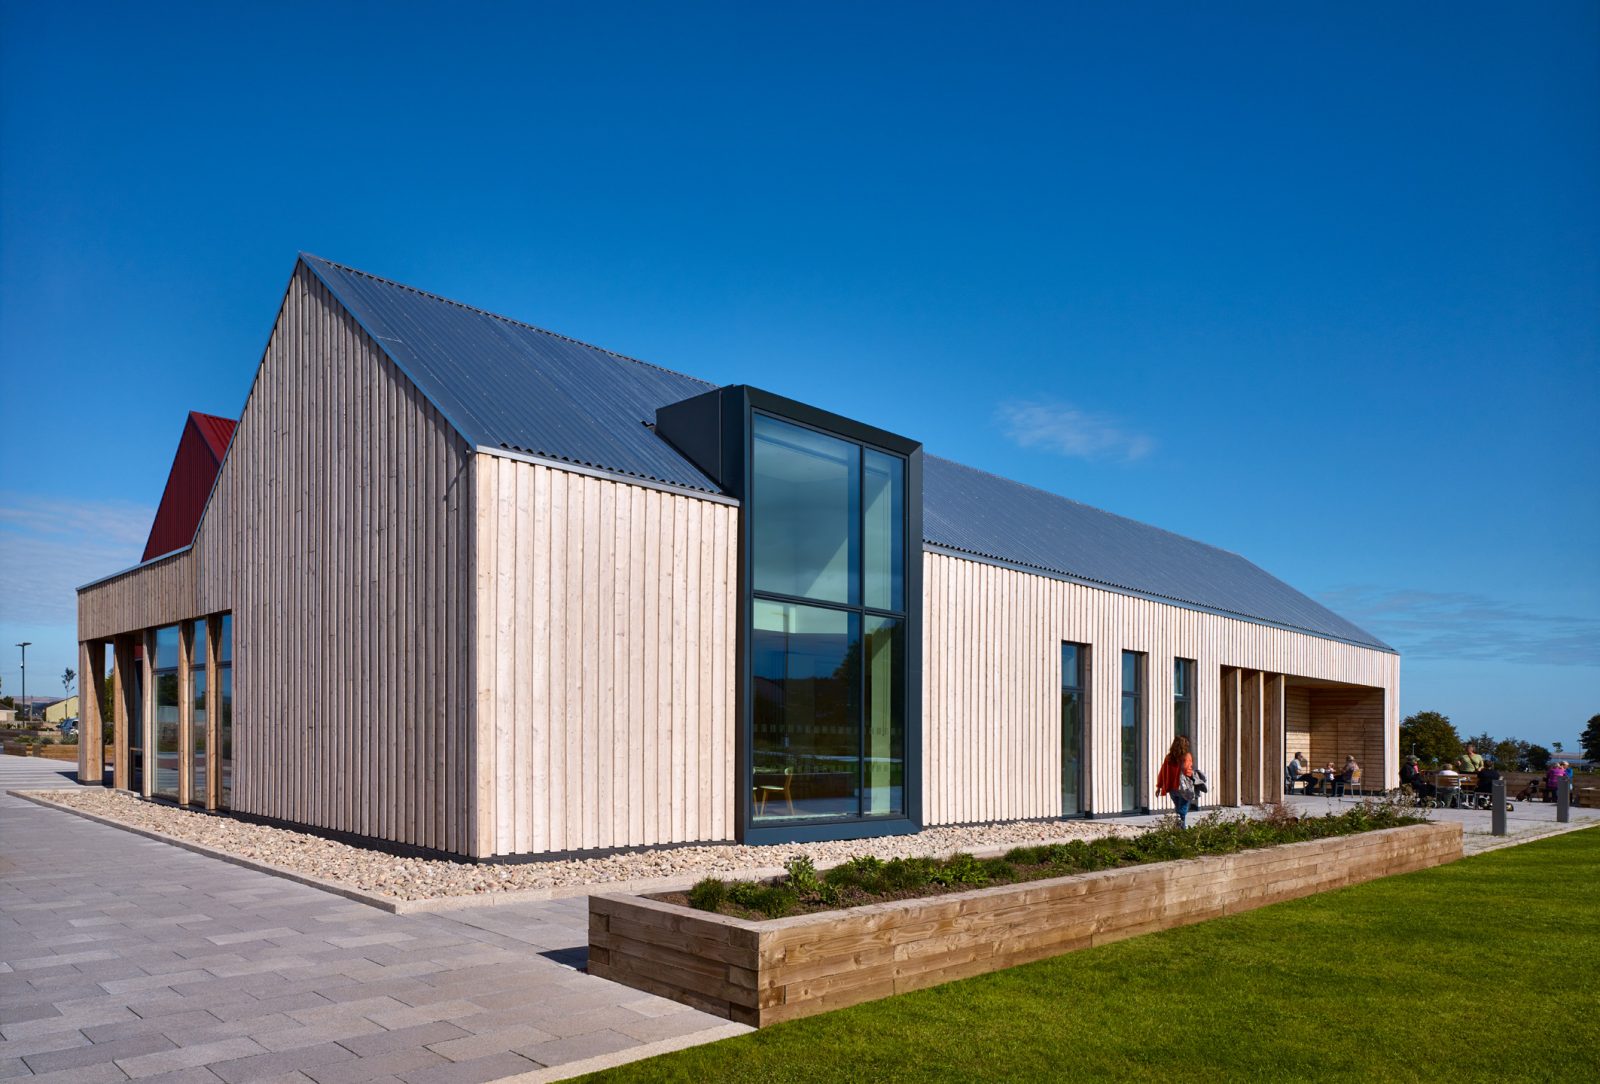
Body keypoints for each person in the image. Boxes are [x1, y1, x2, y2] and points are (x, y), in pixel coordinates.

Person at [1156, 735, 1196, 829]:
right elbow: (1186, 770)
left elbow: (1162, 772)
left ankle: (1179, 826)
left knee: (1179, 808)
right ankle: (1181, 828)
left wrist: (1159, 786)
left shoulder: (1169, 757)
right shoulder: (1186, 756)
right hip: (1183, 787)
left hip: (1172, 789)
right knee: (1183, 808)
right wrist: (1194, 774)